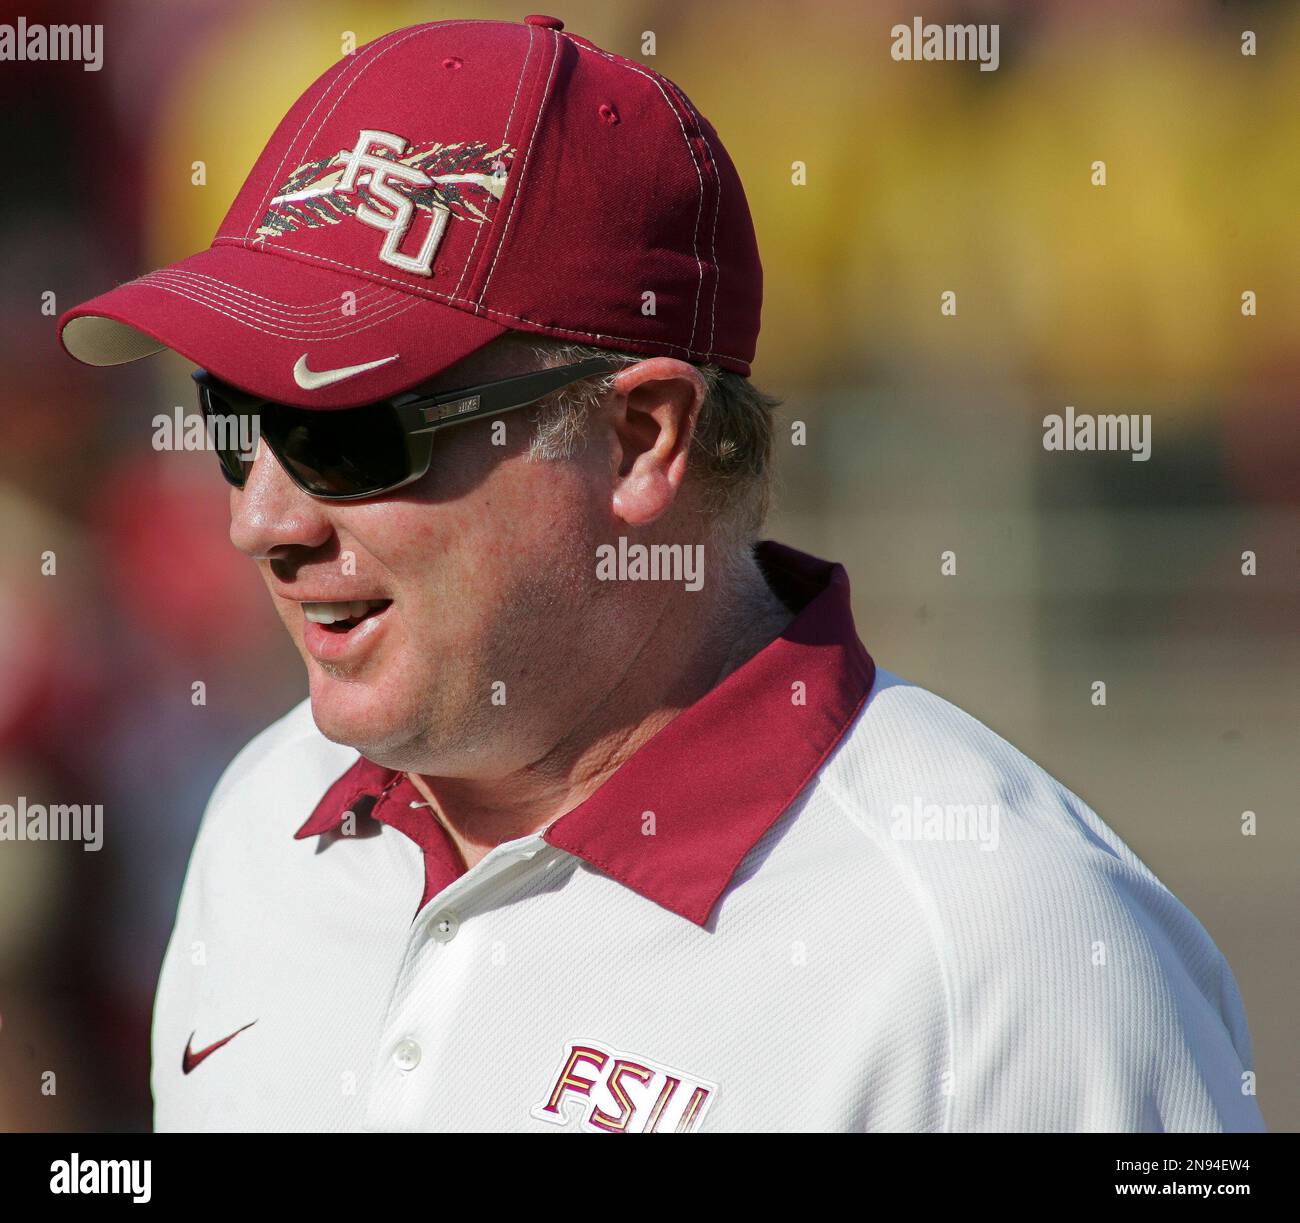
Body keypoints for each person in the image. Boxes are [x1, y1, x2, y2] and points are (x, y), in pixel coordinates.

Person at [57, 16, 1264, 1133]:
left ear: (642, 440)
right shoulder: (268, 811)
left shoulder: (1007, 953)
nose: (260, 517)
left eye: (350, 430)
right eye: (233, 417)